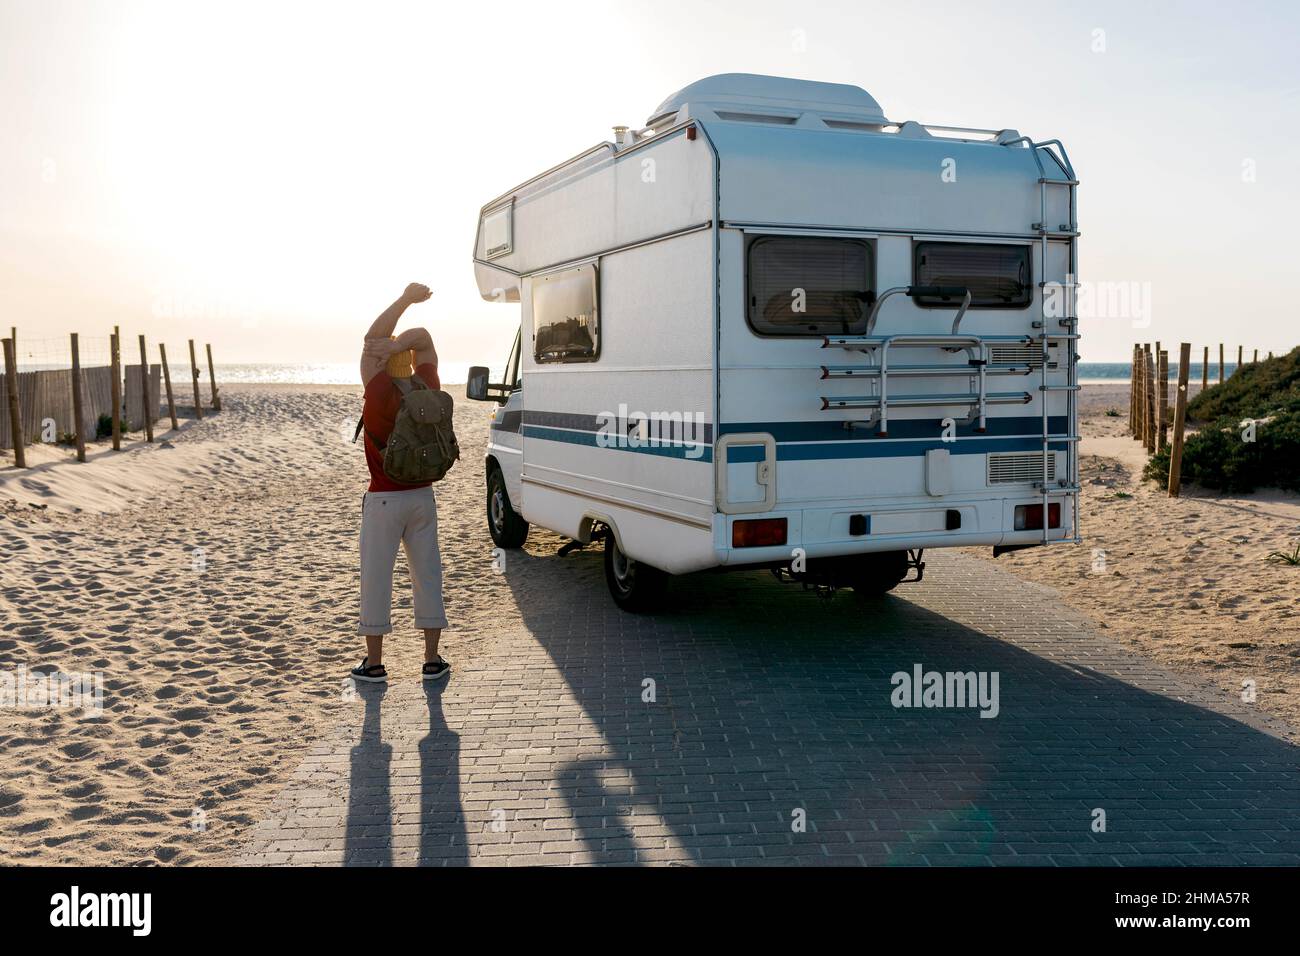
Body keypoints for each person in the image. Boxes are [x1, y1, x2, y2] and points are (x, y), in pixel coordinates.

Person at [350, 282, 449, 684]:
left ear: (381, 364)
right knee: (427, 575)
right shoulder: (427, 386)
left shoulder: (377, 393)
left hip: (384, 501)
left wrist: (404, 300)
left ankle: (374, 665)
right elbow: (423, 338)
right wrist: (399, 345)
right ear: (410, 362)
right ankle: (431, 660)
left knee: (376, 576)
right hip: (422, 496)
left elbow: (372, 338)